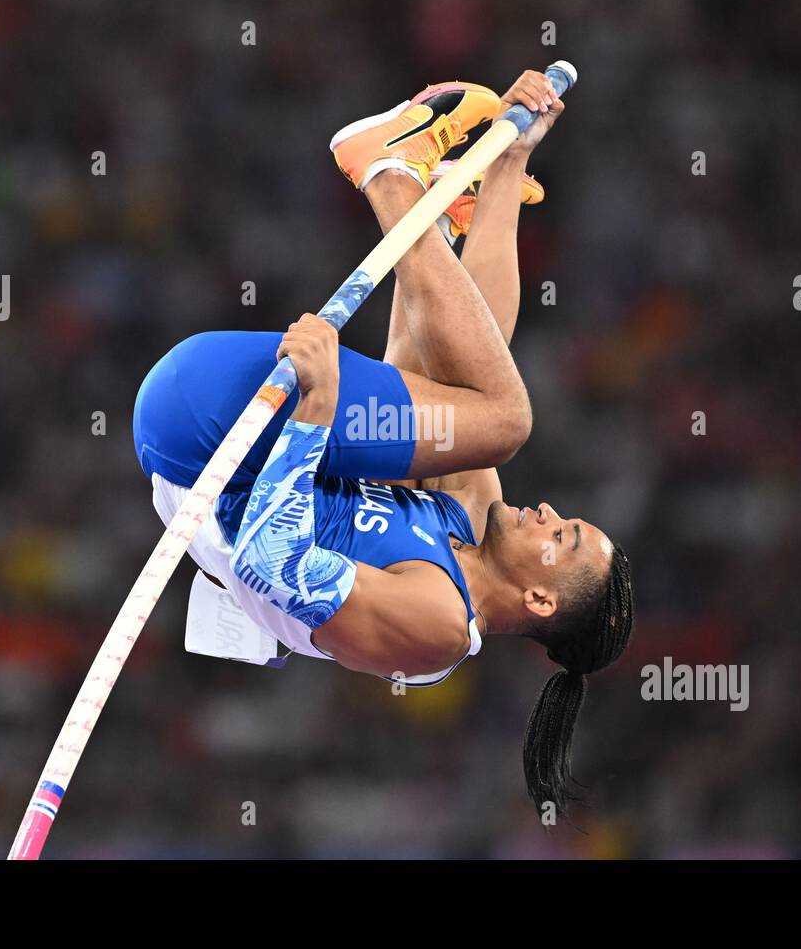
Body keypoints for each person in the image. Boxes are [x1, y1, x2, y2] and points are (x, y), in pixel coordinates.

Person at [133, 70, 633, 816]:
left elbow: (270, 565)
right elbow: (447, 347)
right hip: (224, 410)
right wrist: (506, 167)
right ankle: (436, 187)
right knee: (476, 415)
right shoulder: (466, 521)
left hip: (203, 441)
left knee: (506, 422)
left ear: (537, 597)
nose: (547, 512)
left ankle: (388, 174)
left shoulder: (436, 625)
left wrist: (317, 411)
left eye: (561, 537)